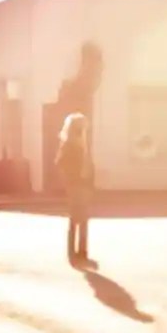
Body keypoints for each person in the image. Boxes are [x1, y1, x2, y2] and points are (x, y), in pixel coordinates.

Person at [56, 112, 92, 261]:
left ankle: (80, 251)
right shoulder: (69, 144)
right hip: (75, 183)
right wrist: (73, 176)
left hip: (83, 183)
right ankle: (75, 251)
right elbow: (61, 163)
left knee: (81, 217)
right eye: (82, 125)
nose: (85, 128)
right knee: (77, 216)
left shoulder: (80, 142)